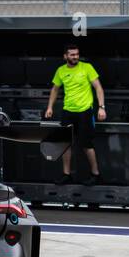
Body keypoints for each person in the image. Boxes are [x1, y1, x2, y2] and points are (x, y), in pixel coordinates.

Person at [44, 44, 107, 184]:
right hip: (68, 111)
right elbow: (55, 89)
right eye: (72, 54)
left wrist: (101, 107)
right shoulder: (60, 71)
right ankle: (67, 175)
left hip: (85, 111)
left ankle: (96, 175)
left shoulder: (87, 67)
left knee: (86, 144)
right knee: (65, 144)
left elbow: (98, 87)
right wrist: (50, 107)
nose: (75, 57)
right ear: (65, 56)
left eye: (77, 54)